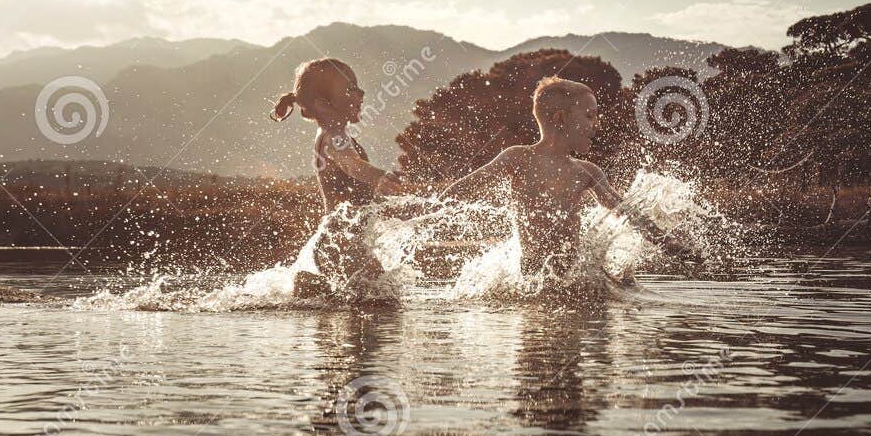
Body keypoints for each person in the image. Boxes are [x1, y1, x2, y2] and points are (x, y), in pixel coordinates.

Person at [440, 76, 697, 278]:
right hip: (530, 274)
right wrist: (433, 211)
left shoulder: (587, 172)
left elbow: (625, 211)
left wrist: (667, 242)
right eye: (589, 116)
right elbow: (465, 188)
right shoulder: (518, 158)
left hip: (574, 275)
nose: (597, 124)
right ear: (560, 119)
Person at [271, 58, 402, 295]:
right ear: (322, 104)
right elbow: (353, 166)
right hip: (343, 244)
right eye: (351, 89)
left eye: (358, 86)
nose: (361, 93)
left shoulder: (335, 135)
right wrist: (381, 176)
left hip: (338, 243)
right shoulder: (335, 136)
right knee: (386, 303)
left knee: (352, 311)